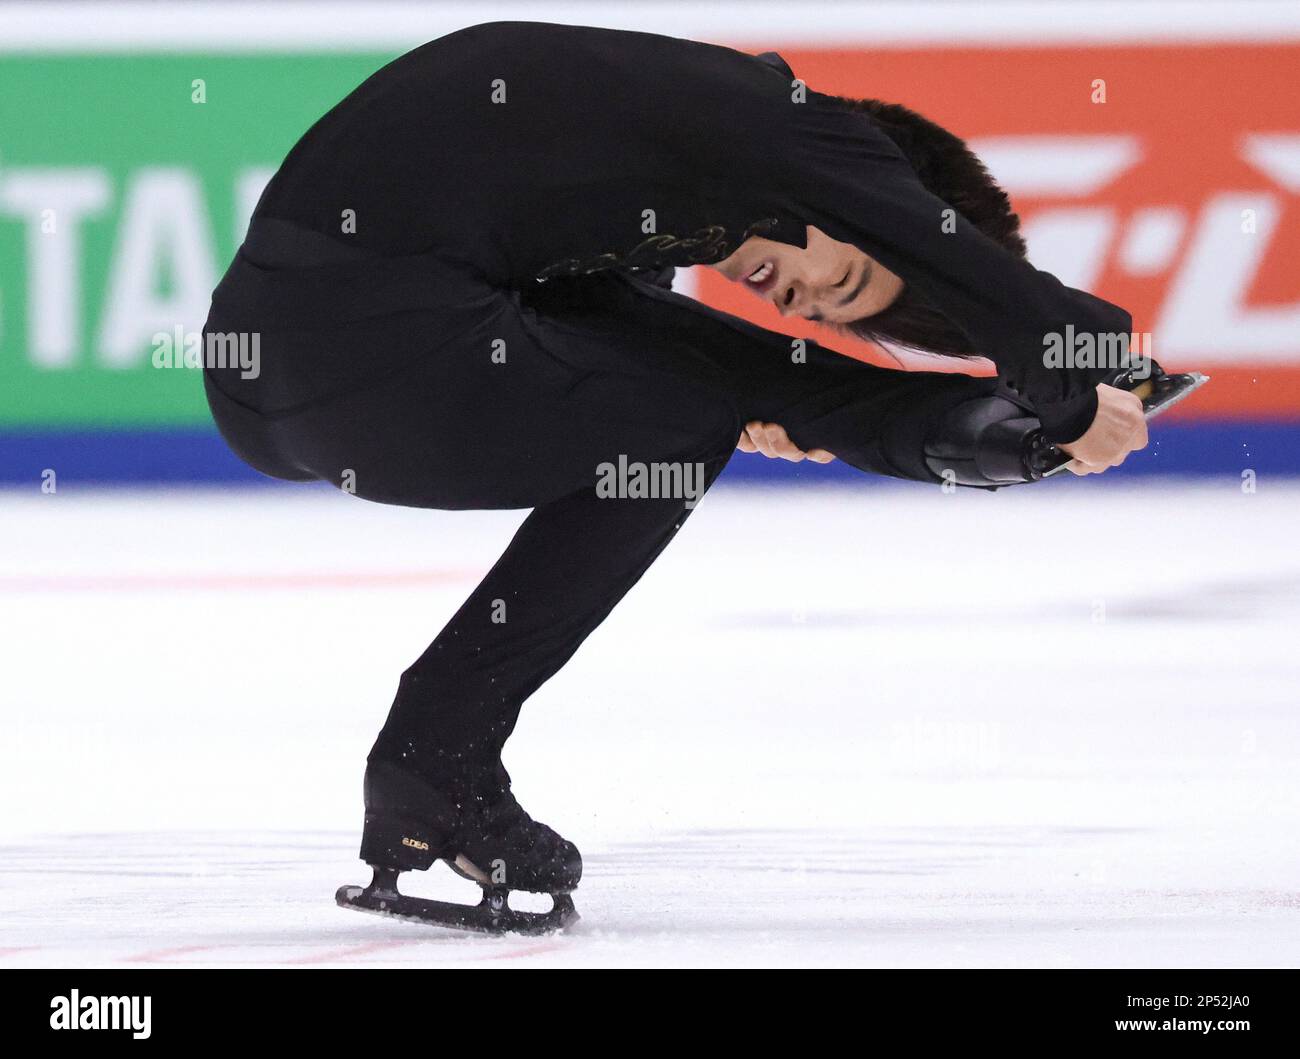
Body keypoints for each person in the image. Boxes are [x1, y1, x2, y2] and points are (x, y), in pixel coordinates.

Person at [202, 21, 1147, 932]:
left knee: (701, 398)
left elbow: (670, 347)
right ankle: (434, 757)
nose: (805, 301)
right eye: (846, 282)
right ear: (869, 193)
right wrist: (1078, 386)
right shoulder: (793, 126)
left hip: (267, 382)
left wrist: (979, 432)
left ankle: (431, 768)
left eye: (830, 312)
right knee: (683, 415)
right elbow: (979, 276)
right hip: (359, 346)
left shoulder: (668, 173)